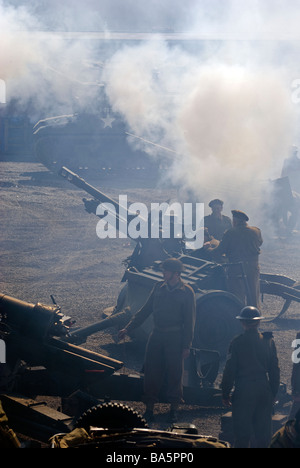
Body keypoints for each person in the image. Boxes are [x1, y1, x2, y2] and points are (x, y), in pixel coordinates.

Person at [118, 258, 196, 423]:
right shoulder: (158, 288)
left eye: (166, 271)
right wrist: (128, 328)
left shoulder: (187, 292)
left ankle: (174, 409)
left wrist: (186, 345)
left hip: (175, 338)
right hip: (157, 336)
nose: (163, 273)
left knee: (175, 374)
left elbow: (190, 322)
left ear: (176, 273)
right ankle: (149, 408)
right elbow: (145, 310)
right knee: (152, 372)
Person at [221, 306, 280, 448]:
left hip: (243, 390)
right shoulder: (268, 341)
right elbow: (274, 370)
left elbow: (230, 370)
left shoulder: (237, 343)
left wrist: (225, 392)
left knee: (242, 435)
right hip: (263, 389)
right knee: (263, 435)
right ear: (258, 323)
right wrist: (273, 392)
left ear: (242, 323)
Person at [207, 210, 263, 308]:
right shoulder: (256, 231)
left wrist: (209, 249)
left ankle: (239, 317)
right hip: (252, 268)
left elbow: (219, 251)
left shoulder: (231, 232)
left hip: (236, 269)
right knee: (253, 295)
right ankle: (255, 316)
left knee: (237, 296)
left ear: (235, 221)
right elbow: (260, 243)